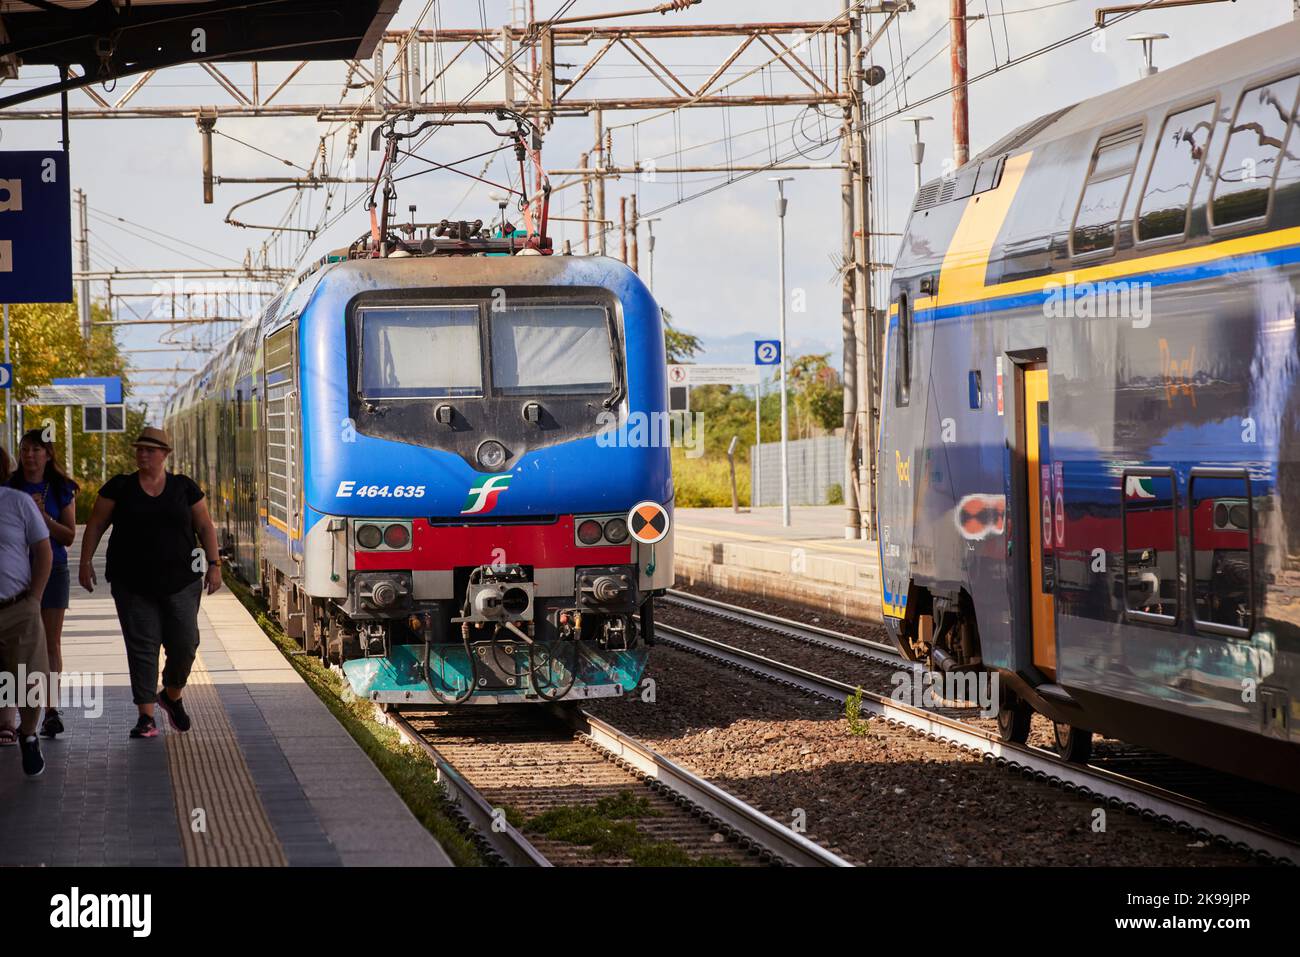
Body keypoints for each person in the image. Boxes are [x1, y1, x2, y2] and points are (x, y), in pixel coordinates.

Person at [78, 427, 222, 739]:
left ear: (165, 455)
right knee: (143, 646)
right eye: (139, 449)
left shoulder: (184, 488)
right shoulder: (120, 487)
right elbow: (96, 524)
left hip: (182, 581)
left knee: (185, 644)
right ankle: (145, 716)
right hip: (132, 583)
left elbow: (205, 526)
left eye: (150, 450)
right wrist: (85, 561)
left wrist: (215, 565)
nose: (143, 455)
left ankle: (171, 696)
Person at [8, 429, 77, 737]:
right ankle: (14, 713)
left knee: (50, 641)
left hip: (53, 571)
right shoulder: (10, 486)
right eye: (25, 449)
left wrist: (41, 518)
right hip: (15, 575)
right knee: (15, 645)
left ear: (48, 454)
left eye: (37, 449)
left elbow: (69, 535)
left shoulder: (60, 488)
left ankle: (50, 708)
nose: (30, 455)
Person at [0, 446, 53, 776]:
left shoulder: (17, 502)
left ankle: (29, 732)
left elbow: (43, 550)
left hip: (17, 606)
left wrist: (34, 598)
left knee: (30, 681)